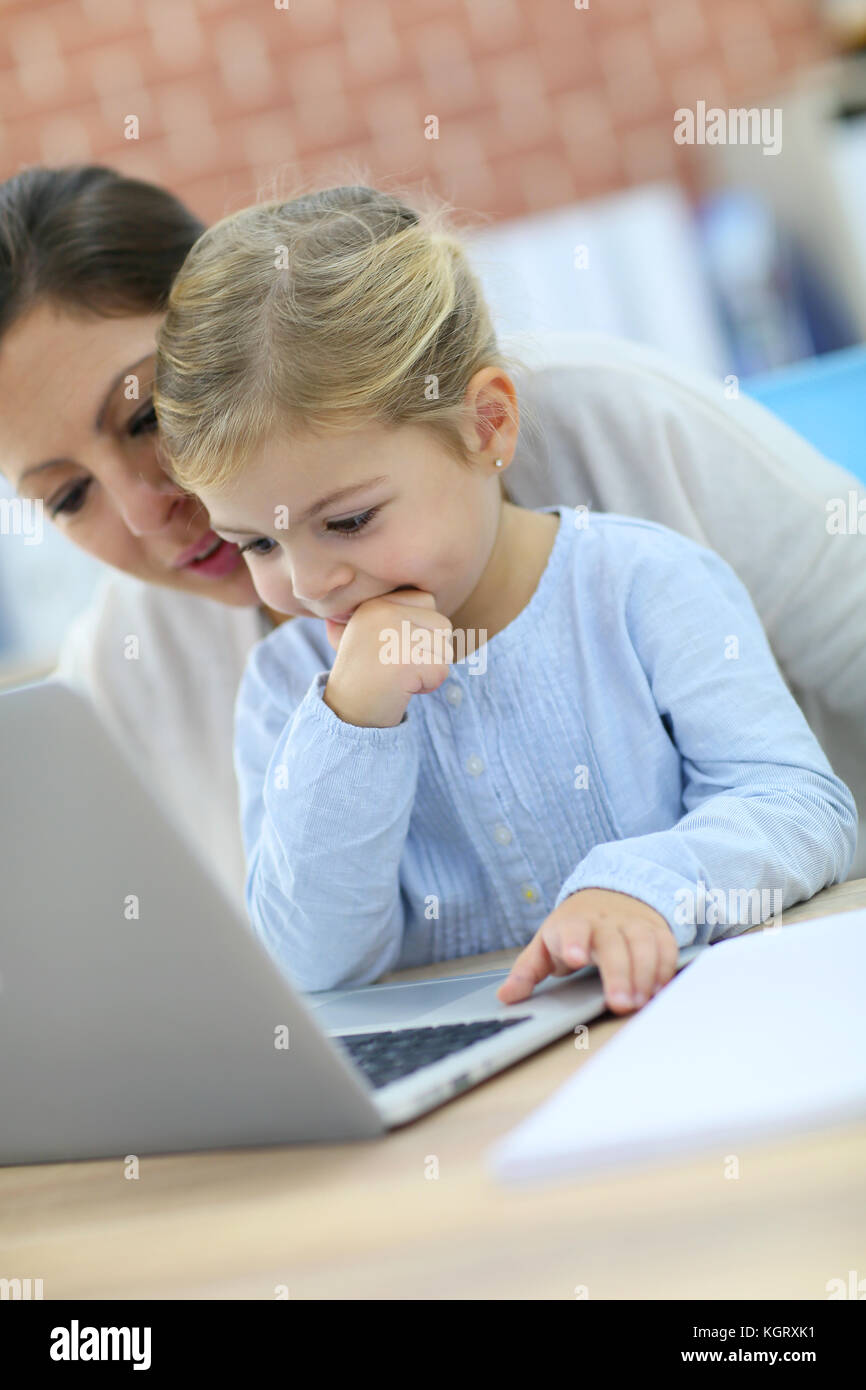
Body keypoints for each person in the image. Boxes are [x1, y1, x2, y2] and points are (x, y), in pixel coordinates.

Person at [0, 166, 863, 925]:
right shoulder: (127, 679)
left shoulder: (616, 447)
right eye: (68, 496)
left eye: (149, 417)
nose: (148, 513)